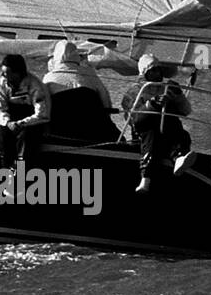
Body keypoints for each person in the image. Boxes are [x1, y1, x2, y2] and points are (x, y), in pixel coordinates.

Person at [122, 54, 195, 193]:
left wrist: (178, 96)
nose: (157, 73)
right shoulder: (135, 90)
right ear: (145, 72)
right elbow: (131, 117)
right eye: (152, 70)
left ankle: (179, 156)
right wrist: (152, 104)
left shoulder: (168, 87)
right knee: (152, 134)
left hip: (167, 129)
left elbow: (186, 111)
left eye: (158, 70)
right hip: (144, 129)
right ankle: (145, 179)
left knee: (182, 133)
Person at [0, 54, 51, 185]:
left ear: (18, 73)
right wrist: (7, 122)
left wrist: (21, 124)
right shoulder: (2, 83)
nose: (4, 76)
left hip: (32, 121)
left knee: (26, 139)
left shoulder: (35, 85)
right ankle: (6, 169)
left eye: (7, 73)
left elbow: (42, 113)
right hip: (10, 119)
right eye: (3, 73)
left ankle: (22, 172)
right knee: (0, 135)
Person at [42, 40, 111, 108]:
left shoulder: (49, 78)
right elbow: (106, 102)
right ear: (76, 56)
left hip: (58, 117)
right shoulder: (91, 76)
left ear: (56, 57)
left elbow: (41, 103)